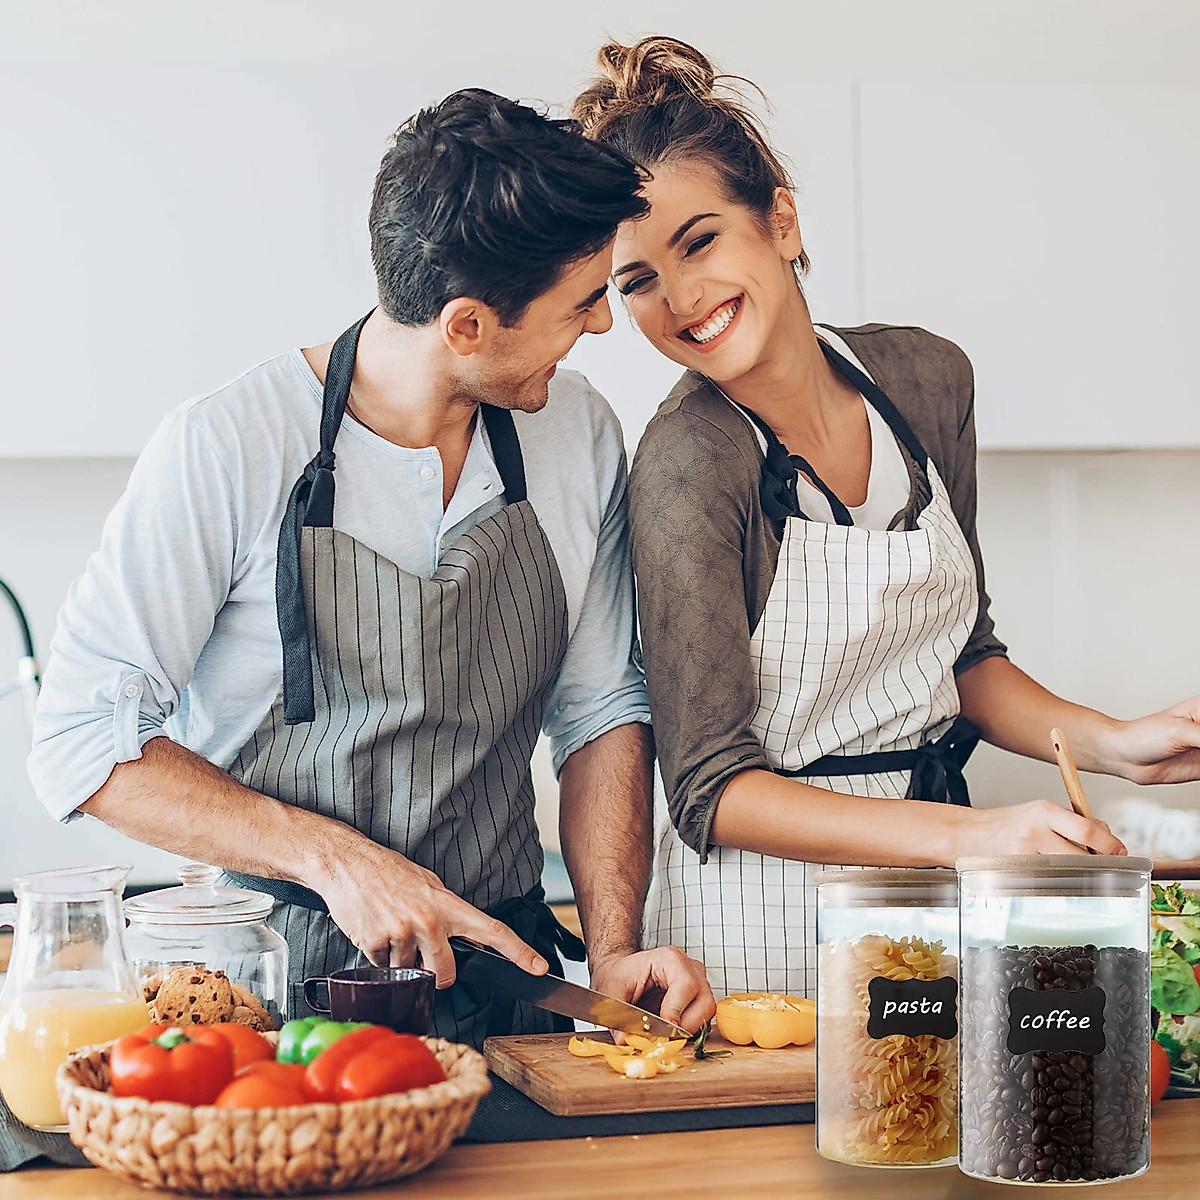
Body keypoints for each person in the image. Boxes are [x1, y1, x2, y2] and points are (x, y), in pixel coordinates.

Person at [29, 89, 715, 1045]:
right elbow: (81, 739)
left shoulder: (577, 432)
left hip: (503, 984)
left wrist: (609, 951)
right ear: (467, 325)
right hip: (271, 998)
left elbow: (600, 710)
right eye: (581, 304)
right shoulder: (228, 446)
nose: (600, 327)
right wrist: (340, 862)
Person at [572, 38, 1200, 998]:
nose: (680, 298)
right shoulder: (691, 462)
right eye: (638, 280)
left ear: (779, 219)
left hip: (936, 909)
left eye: (699, 242)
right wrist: (978, 837)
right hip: (760, 938)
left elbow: (964, 658)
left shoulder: (924, 380)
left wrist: (1112, 743)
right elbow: (708, 789)